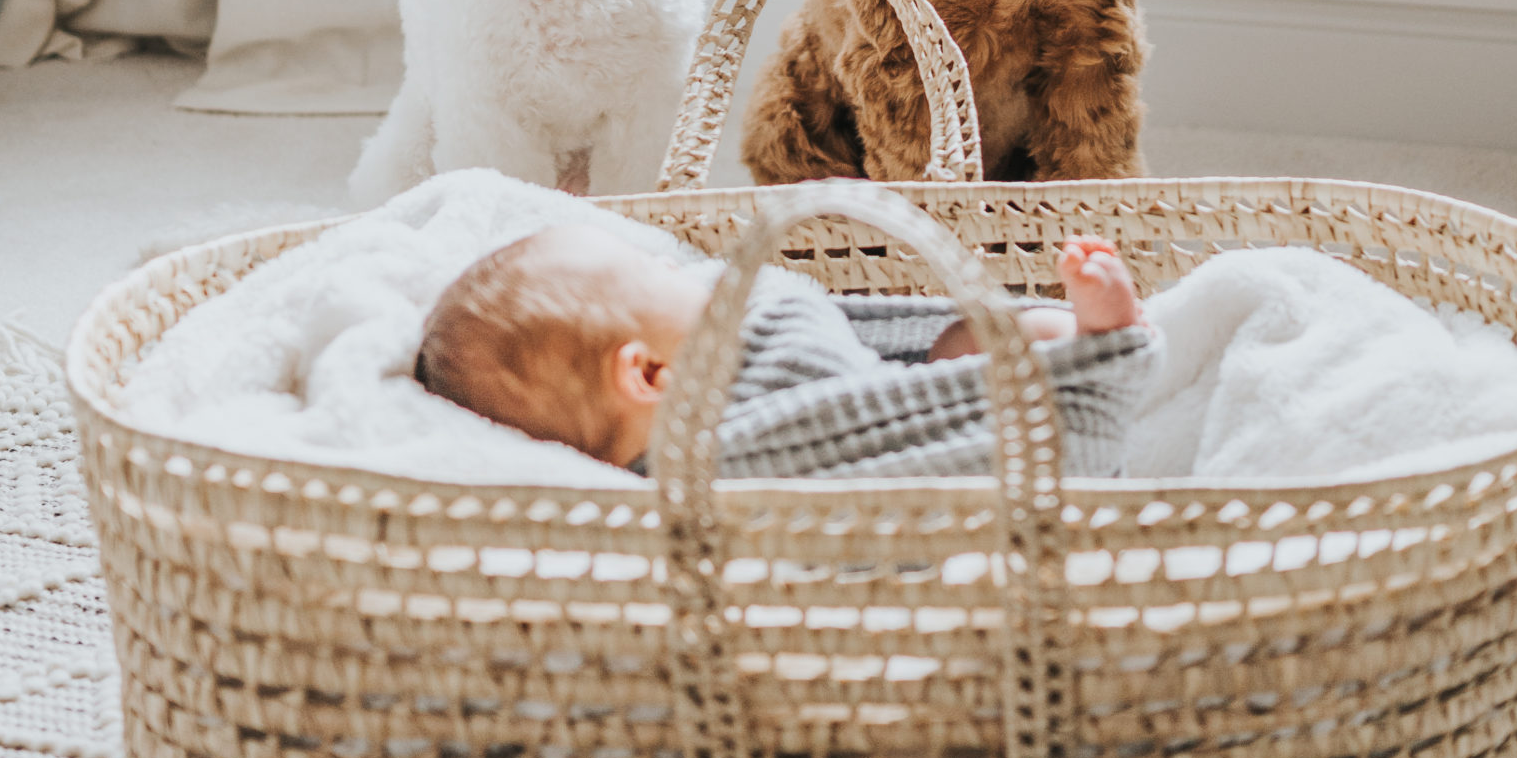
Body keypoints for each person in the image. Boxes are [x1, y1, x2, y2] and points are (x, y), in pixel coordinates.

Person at [415, 212, 1153, 480]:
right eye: (658, 274)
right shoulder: (718, 465)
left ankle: (1075, 349)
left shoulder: (692, 379)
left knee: (984, 336)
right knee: (1033, 341)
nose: (682, 268)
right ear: (648, 374)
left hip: (896, 397)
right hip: (975, 469)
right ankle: (1095, 353)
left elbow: (869, 379)